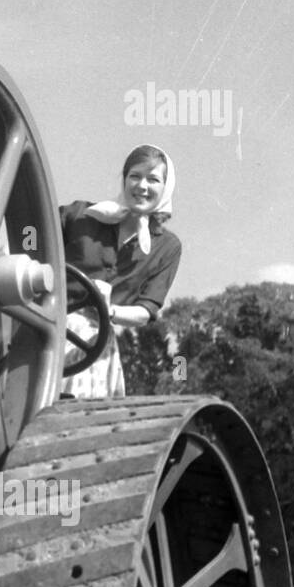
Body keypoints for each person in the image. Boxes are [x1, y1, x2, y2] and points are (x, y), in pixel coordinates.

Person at [58, 144, 181, 399]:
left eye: (153, 179)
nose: (142, 186)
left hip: (96, 342)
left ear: (166, 187)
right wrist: (27, 258)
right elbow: (30, 232)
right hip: (48, 323)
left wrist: (109, 311)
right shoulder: (79, 215)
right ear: (124, 179)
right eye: (135, 176)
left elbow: (147, 310)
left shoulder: (167, 247)